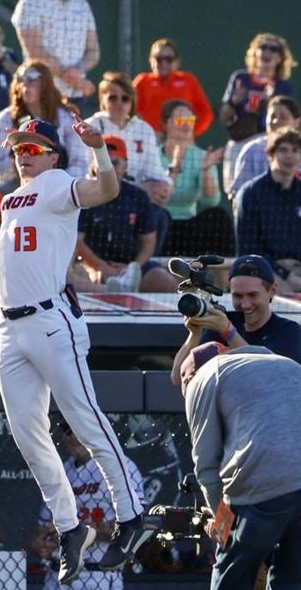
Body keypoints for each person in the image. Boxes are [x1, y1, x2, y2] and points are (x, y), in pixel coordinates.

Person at [0, 117, 145, 585]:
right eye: (20, 146)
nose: (25, 153)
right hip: (10, 326)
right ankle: (70, 527)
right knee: (27, 434)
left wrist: (98, 150)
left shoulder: (56, 181)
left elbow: (105, 190)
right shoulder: (7, 199)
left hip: (49, 320)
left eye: (35, 147)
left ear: (53, 156)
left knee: (85, 421)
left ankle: (132, 516)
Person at [179, 343, 301, 588]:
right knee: (292, 577)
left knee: (232, 574)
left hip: (263, 481)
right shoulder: (287, 363)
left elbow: (206, 466)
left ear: (188, 379)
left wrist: (222, 524)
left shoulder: (204, 376)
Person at [29, 420, 145, 590]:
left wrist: (86, 531)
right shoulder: (61, 471)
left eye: (79, 430)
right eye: (67, 431)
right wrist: (42, 543)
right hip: (56, 574)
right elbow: (41, 528)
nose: (73, 437)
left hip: (98, 574)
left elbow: (136, 525)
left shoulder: (120, 466)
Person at [169, 255, 301, 388]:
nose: (245, 304)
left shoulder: (289, 332)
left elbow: (268, 377)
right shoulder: (221, 324)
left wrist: (228, 332)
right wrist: (194, 335)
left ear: (272, 291)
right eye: (237, 296)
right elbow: (177, 378)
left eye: (252, 295)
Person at [70, 135, 178, 294]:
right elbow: (77, 243)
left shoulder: (138, 196)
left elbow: (149, 242)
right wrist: (102, 267)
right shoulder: (83, 194)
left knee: (166, 283)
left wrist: (132, 268)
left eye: (114, 162)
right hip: (90, 265)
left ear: (125, 166)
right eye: (103, 161)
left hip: (132, 266)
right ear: (93, 165)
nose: (108, 167)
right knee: (78, 276)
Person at [11, 0, 100, 112]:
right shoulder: (29, 3)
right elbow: (34, 51)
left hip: (76, 97)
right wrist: (70, 77)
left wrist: (79, 70)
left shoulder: (82, 6)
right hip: (40, 96)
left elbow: (93, 51)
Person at [219, 33, 296, 191]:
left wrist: (271, 100)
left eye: (273, 49)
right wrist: (234, 101)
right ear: (255, 52)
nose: (267, 52)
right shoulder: (240, 78)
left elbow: (286, 121)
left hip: (267, 143)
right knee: (235, 189)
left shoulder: (283, 87)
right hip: (239, 141)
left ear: (280, 58)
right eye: (263, 47)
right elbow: (224, 116)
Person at [0, 61, 88, 187]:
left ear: (45, 84)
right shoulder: (6, 118)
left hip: (59, 185)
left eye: (32, 79)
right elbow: (0, 168)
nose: (25, 84)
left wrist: (56, 182)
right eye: (21, 79)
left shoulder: (65, 116)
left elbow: (79, 163)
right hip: (20, 185)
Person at [158, 99, 229, 258]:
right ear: (166, 123)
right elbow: (160, 197)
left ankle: (224, 280)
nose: (186, 124)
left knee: (218, 216)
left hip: (189, 226)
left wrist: (205, 171)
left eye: (190, 120)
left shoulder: (202, 156)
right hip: (159, 225)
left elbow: (211, 201)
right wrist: (175, 164)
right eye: (179, 120)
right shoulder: (153, 155)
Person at [234, 127, 301, 292]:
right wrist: (285, 274)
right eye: (283, 150)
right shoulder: (251, 193)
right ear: (270, 155)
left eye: (295, 150)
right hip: (264, 270)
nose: (289, 156)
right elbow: (248, 249)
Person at [85, 72, 169, 184]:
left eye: (125, 99)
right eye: (113, 98)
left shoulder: (144, 130)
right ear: (102, 99)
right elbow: (80, 168)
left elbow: (154, 171)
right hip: (97, 190)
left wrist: (163, 184)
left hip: (135, 193)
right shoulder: (89, 127)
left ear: (132, 101)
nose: (119, 103)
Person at [131, 38, 213, 138]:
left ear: (177, 62)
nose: (163, 63)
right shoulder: (142, 81)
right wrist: (145, 134)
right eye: (159, 59)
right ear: (151, 61)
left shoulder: (188, 80)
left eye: (168, 59)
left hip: (181, 139)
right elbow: (131, 112)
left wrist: (192, 132)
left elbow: (206, 114)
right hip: (151, 139)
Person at [229, 94, 300, 200]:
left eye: (283, 117)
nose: (276, 121)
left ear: (297, 122)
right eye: (272, 117)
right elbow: (237, 194)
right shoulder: (252, 150)